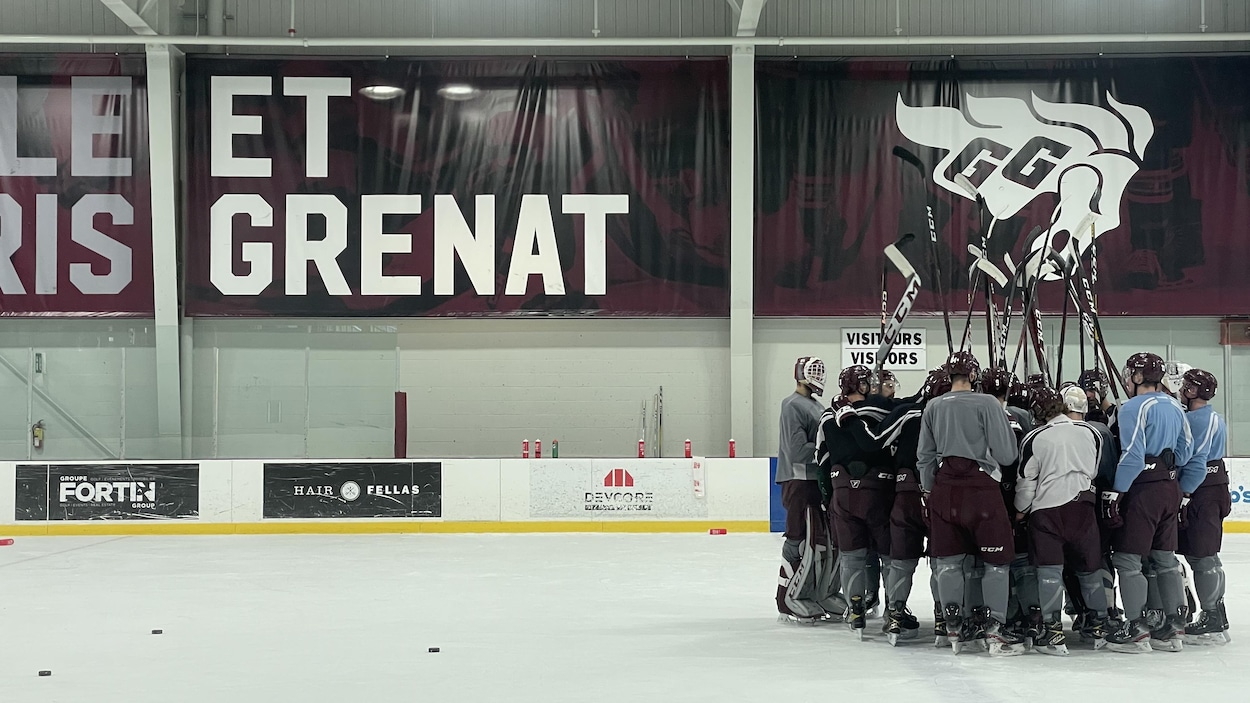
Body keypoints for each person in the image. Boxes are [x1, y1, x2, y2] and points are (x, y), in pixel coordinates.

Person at [917, 351, 1024, 656]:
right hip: (981, 491)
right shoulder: (987, 403)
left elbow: (924, 456)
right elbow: (1006, 454)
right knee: (996, 563)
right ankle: (994, 628)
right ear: (974, 376)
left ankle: (952, 624)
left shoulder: (933, 406)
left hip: (944, 489)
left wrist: (928, 491)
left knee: (949, 561)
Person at [1101, 352, 1195, 653]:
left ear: (1139, 377)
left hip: (1143, 489)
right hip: (1170, 487)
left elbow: (1132, 454)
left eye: (1130, 374)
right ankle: (1173, 628)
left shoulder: (1131, 408)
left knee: (1128, 559)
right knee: (1165, 558)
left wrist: (1117, 491)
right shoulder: (1175, 405)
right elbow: (1187, 449)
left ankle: (1137, 629)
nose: (1128, 379)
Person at [1014, 386, 1113, 655]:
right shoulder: (1091, 432)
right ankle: (1099, 624)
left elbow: (1026, 483)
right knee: (1090, 570)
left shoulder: (1034, 437)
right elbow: (1093, 470)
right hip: (1083, 509)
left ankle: (1053, 630)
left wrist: (1020, 511)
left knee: (1049, 573)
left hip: (1047, 513)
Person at [870, 368, 950, 645]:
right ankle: (944, 618)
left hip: (905, 492)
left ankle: (895, 615)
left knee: (902, 561)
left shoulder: (908, 413)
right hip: (942, 494)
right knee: (942, 562)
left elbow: (877, 442)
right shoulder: (954, 415)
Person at [816, 365, 894, 638]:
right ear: (862, 386)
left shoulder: (827, 416)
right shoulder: (880, 410)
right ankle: (894, 610)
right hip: (878, 490)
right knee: (888, 555)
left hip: (842, 492)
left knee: (852, 556)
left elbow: (822, 460)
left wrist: (827, 499)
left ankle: (856, 607)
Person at [776, 356, 843, 623]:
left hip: (817, 482)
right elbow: (797, 450)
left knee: (822, 541)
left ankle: (817, 592)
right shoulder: (792, 405)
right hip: (800, 482)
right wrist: (831, 452)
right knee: (799, 539)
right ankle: (787, 598)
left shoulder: (817, 405)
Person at [1177, 368, 1232, 645]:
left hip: (1203, 491)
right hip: (1211, 488)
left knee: (1202, 556)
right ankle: (1216, 612)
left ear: (1193, 391)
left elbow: (1196, 460)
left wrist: (1185, 493)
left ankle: (1212, 615)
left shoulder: (1202, 419)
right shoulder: (1209, 417)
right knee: (1206, 556)